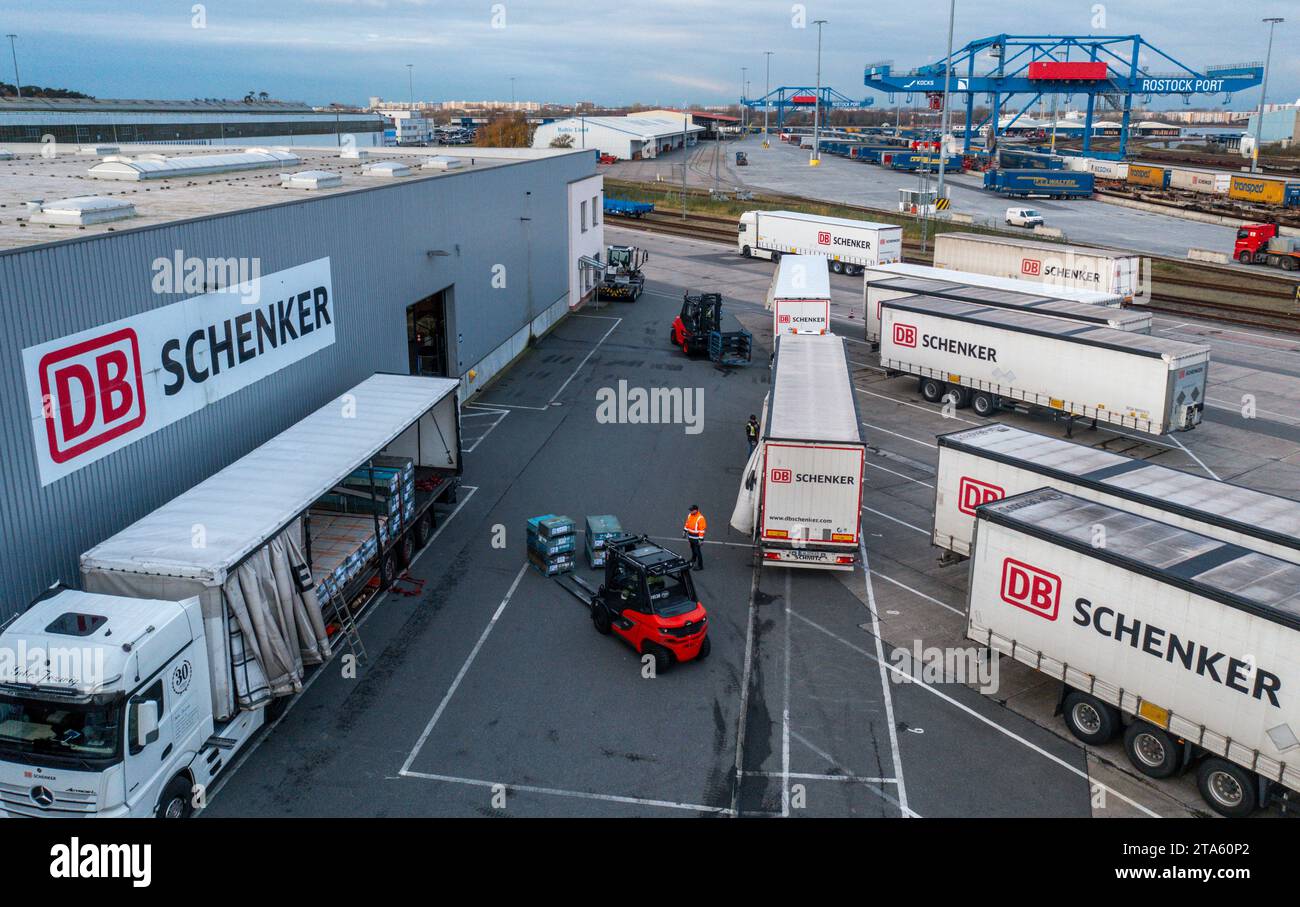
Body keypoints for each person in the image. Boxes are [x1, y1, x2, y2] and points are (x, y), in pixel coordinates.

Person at [683, 504, 707, 570]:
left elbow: (702, 530)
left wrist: (700, 539)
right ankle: (693, 559)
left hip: (696, 538)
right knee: (693, 549)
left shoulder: (700, 518)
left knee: (697, 551)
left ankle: (700, 565)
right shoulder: (690, 515)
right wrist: (684, 531)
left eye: (691, 510)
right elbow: (687, 523)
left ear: (696, 510)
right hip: (690, 537)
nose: (690, 511)